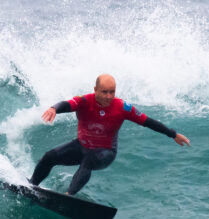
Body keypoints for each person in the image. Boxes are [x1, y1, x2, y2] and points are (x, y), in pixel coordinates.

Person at [30, 74, 190, 195]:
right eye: (104, 92)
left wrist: (172, 134)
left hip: (105, 152)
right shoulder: (85, 101)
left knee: (88, 161)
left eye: (112, 92)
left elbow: (147, 121)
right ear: (95, 90)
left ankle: (68, 196)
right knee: (49, 157)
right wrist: (54, 109)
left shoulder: (123, 107)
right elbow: (67, 104)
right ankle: (32, 185)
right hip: (82, 146)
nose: (108, 96)